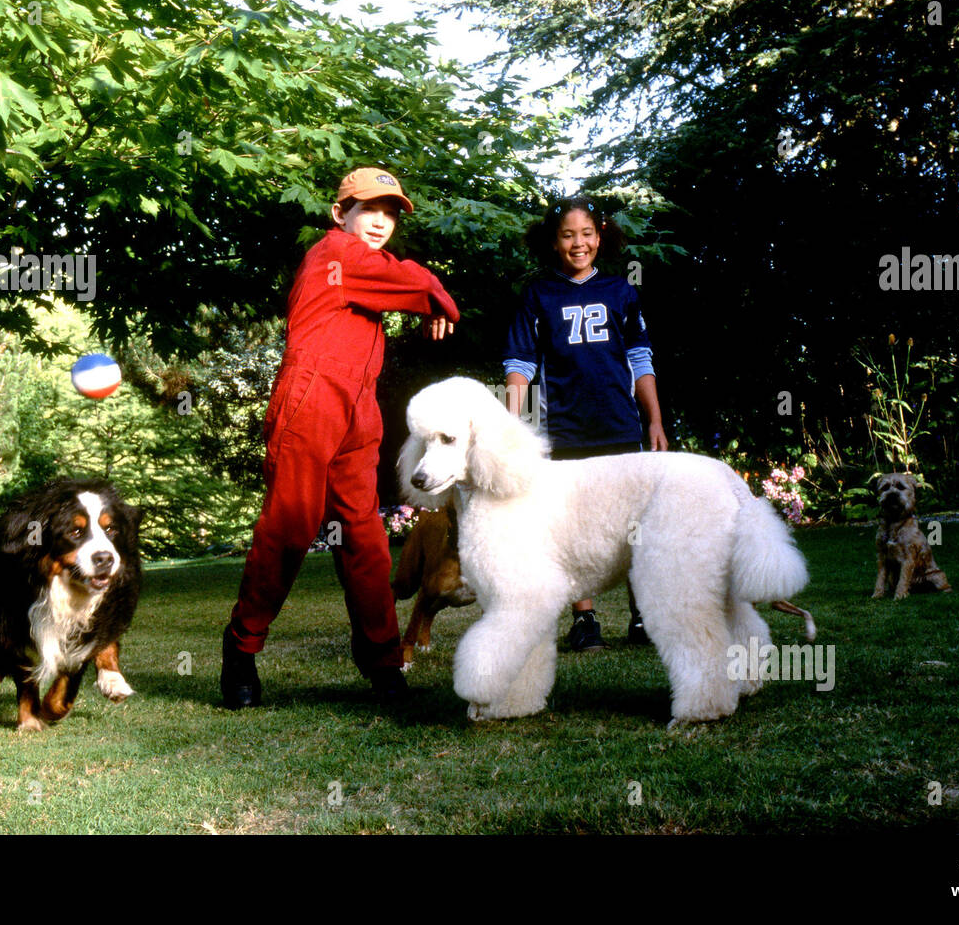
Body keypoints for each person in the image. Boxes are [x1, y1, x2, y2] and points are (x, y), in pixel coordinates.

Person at [221, 167, 459, 708]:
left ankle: (383, 666)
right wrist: (440, 303)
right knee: (290, 529)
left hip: (358, 408)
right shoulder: (337, 255)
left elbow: (402, 290)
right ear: (339, 214)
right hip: (312, 398)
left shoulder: (364, 272)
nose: (380, 221)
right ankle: (240, 652)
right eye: (368, 209)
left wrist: (427, 306)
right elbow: (419, 284)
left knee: (366, 540)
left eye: (391, 212)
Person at [503, 196, 667, 651]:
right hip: (567, 430)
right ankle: (585, 619)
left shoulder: (621, 291)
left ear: (601, 234)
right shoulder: (538, 294)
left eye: (587, 233)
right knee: (573, 526)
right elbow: (520, 362)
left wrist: (653, 419)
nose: (579, 243)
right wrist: (511, 426)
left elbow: (640, 359)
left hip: (620, 425)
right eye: (568, 235)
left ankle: (643, 615)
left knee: (634, 521)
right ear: (554, 242)